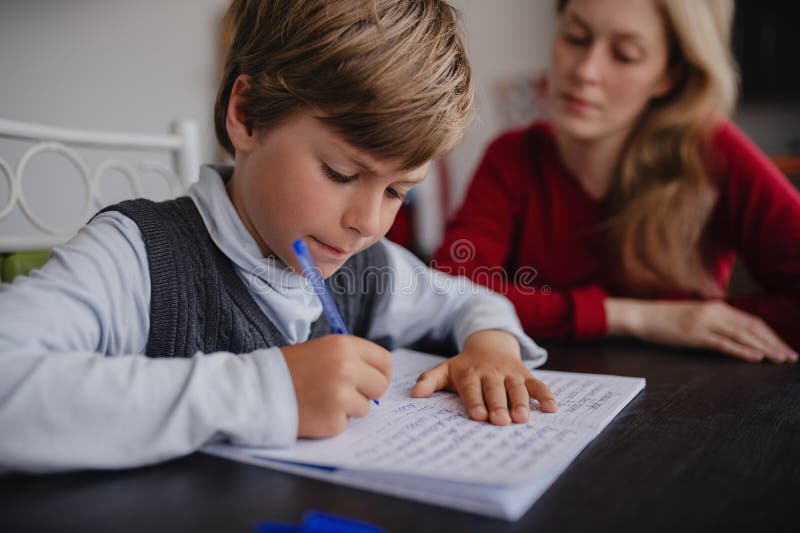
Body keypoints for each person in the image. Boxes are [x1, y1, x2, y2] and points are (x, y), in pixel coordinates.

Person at [0, 0, 558, 474]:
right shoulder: (141, 256)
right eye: (341, 174)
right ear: (245, 115)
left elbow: (471, 300)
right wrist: (268, 392)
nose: (369, 222)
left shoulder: (367, 265)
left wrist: (492, 350)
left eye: (398, 193)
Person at [434, 0, 800, 363]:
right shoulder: (512, 156)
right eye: (576, 37)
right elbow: (448, 291)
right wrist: (640, 317)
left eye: (625, 55)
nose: (585, 71)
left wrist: (712, 320)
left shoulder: (711, 152)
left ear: (669, 76)